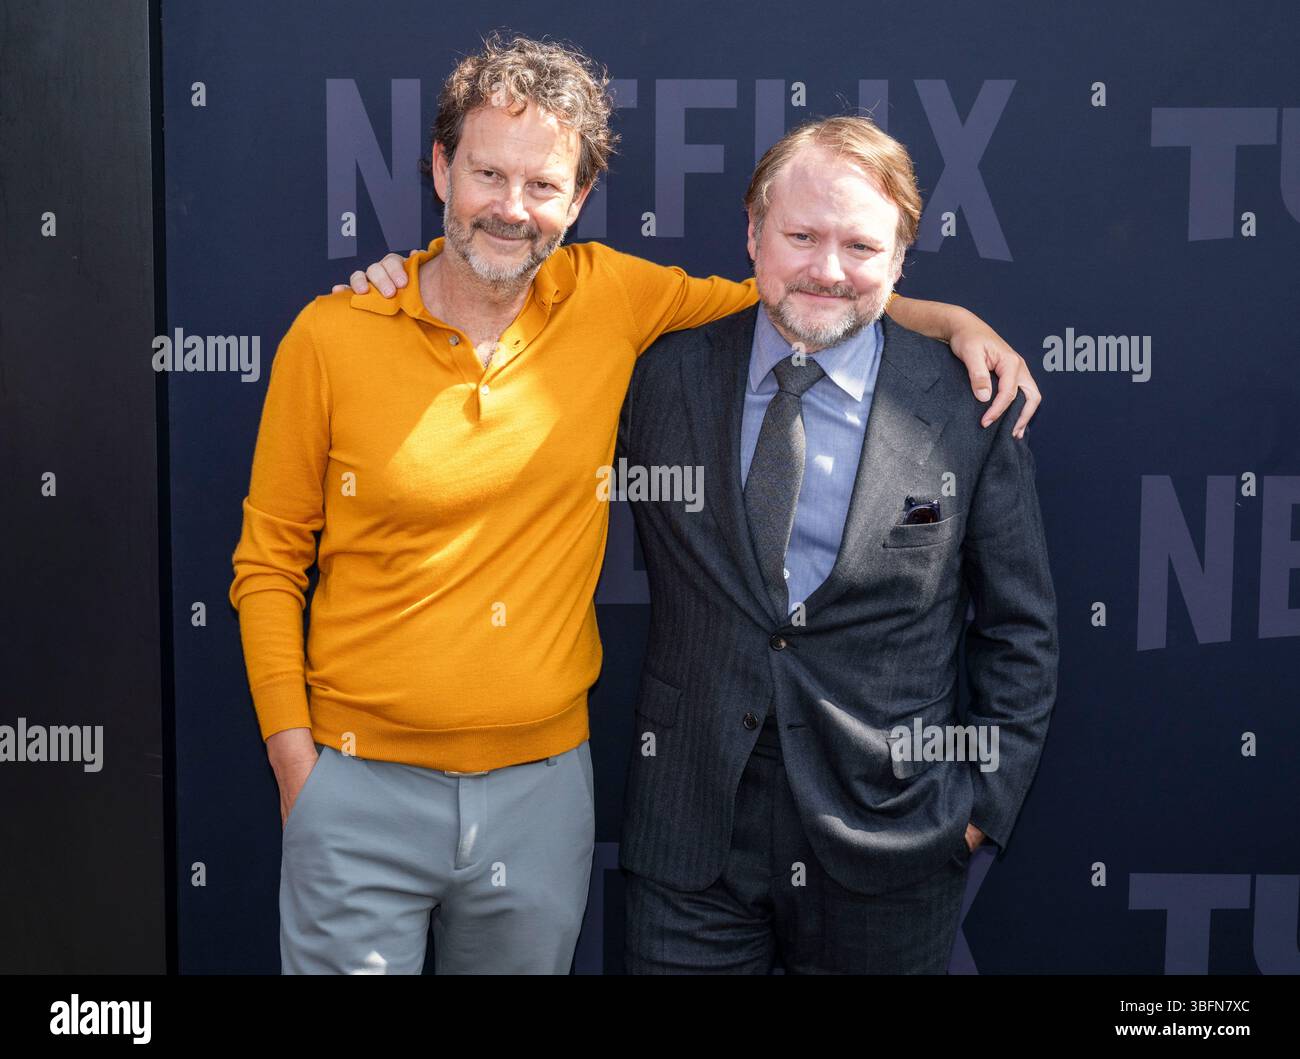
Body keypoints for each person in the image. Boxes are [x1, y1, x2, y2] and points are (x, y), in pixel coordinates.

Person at [233, 31, 1040, 975]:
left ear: (576, 201)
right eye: (489, 173)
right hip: (359, 782)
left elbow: (804, 294)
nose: (512, 208)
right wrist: (300, 773)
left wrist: (948, 320)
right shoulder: (334, 334)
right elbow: (269, 562)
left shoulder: (614, 299)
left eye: (544, 187)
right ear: (443, 169)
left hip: (542, 798)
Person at [615, 114, 1058, 973]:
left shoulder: (969, 404)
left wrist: (977, 806)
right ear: (752, 234)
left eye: (861, 245)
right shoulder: (659, 377)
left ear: (900, 261)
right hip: (689, 838)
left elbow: (1020, 630)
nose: (827, 268)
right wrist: (391, 289)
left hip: (894, 845)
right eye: (801, 235)